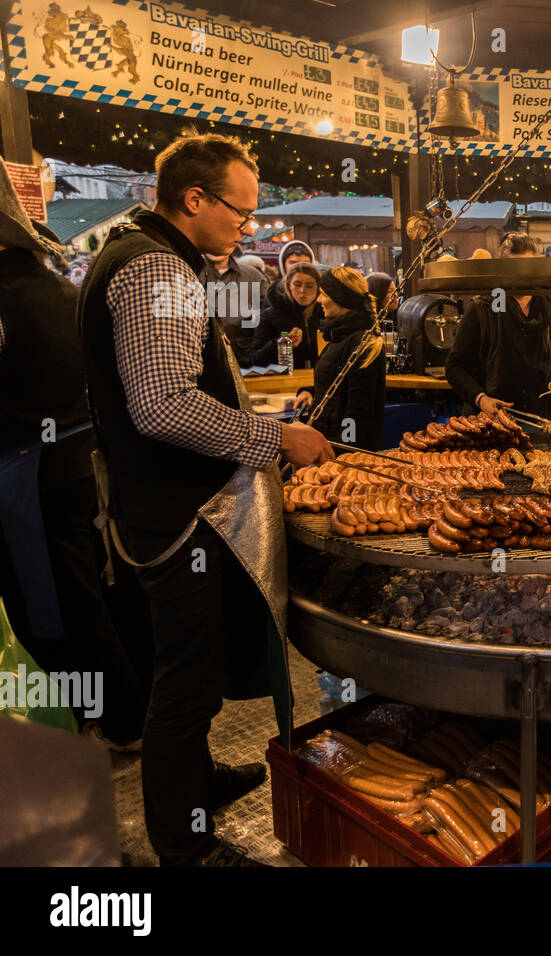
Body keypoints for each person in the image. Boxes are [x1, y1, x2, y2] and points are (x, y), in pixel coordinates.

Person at [77, 131, 333, 866]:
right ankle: (183, 844)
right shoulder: (156, 270)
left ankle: (196, 780)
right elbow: (160, 404)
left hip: (166, 506)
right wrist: (275, 439)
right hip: (176, 514)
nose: (247, 227)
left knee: (197, 664)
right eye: (240, 212)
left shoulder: (142, 256)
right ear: (195, 200)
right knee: (185, 681)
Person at [0, 168, 151, 749]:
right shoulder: (67, 292)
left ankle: (117, 721)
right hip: (86, 466)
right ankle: (129, 711)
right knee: (106, 590)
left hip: (30, 478)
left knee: (61, 607)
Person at [445, 231, 551, 419]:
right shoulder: (484, 308)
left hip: (541, 420)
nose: (522, 276)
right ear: (503, 269)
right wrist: (481, 399)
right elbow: (454, 367)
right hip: (491, 423)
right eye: (516, 269)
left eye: (528, 269)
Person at [292, 267, 386, 450]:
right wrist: (309, 392)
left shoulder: (363, 343)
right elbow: (337, 386)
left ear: (341, 298)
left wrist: (342, 452)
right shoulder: (339, 337)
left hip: (345, 454)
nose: (319, 300)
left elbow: (357, 414)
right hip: (328, 444)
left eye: (324, 294)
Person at [200, 242, 267, 367]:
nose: (216, 246)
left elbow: (267, 318)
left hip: (244, 358)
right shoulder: (191, 273)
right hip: (202, 359)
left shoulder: (253, 276)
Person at [249, 261, 321, 368]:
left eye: (309, 286)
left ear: (318, 288)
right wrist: (281, 343)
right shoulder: (270, 316)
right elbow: (255, 359)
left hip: (320, 379)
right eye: (297, 285)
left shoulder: (325, 314)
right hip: (285, 381)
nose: (302, 291)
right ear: (288, 286)